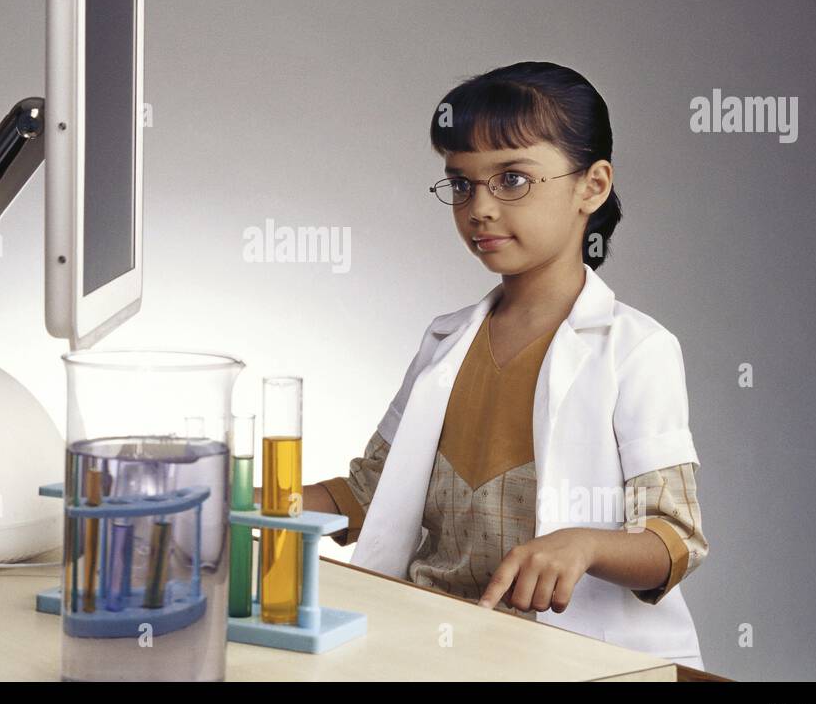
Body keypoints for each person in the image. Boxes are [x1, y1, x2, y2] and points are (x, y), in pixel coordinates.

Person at [302, 61, 709, 670]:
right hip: (438, 649)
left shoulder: (636, 350)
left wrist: (585, 547)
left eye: (512, 179)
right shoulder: (443, 343)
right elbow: (370, 495)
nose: (480, 208)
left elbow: (674, 539)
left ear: (591, 187)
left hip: (576, 659)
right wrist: (255, 501)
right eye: (461, 184)